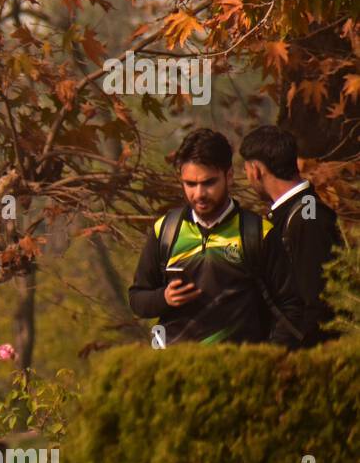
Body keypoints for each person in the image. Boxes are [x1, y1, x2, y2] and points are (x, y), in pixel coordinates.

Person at [129, 128, 303, 347]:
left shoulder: (258, 233)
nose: (199, 194)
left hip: (238, 371)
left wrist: (268, 359)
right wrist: (163, 298)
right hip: (174, 371)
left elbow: (291, 306)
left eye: (209, 182)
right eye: (190, 184)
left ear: (228, 176)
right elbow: (137, 299)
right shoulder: (165, 230)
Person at [239, 124, 343, 346]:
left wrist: (283, 352)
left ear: (256, 170)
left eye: (246, 169)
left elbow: (316, 303)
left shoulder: (308, 218)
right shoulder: (294, 214)